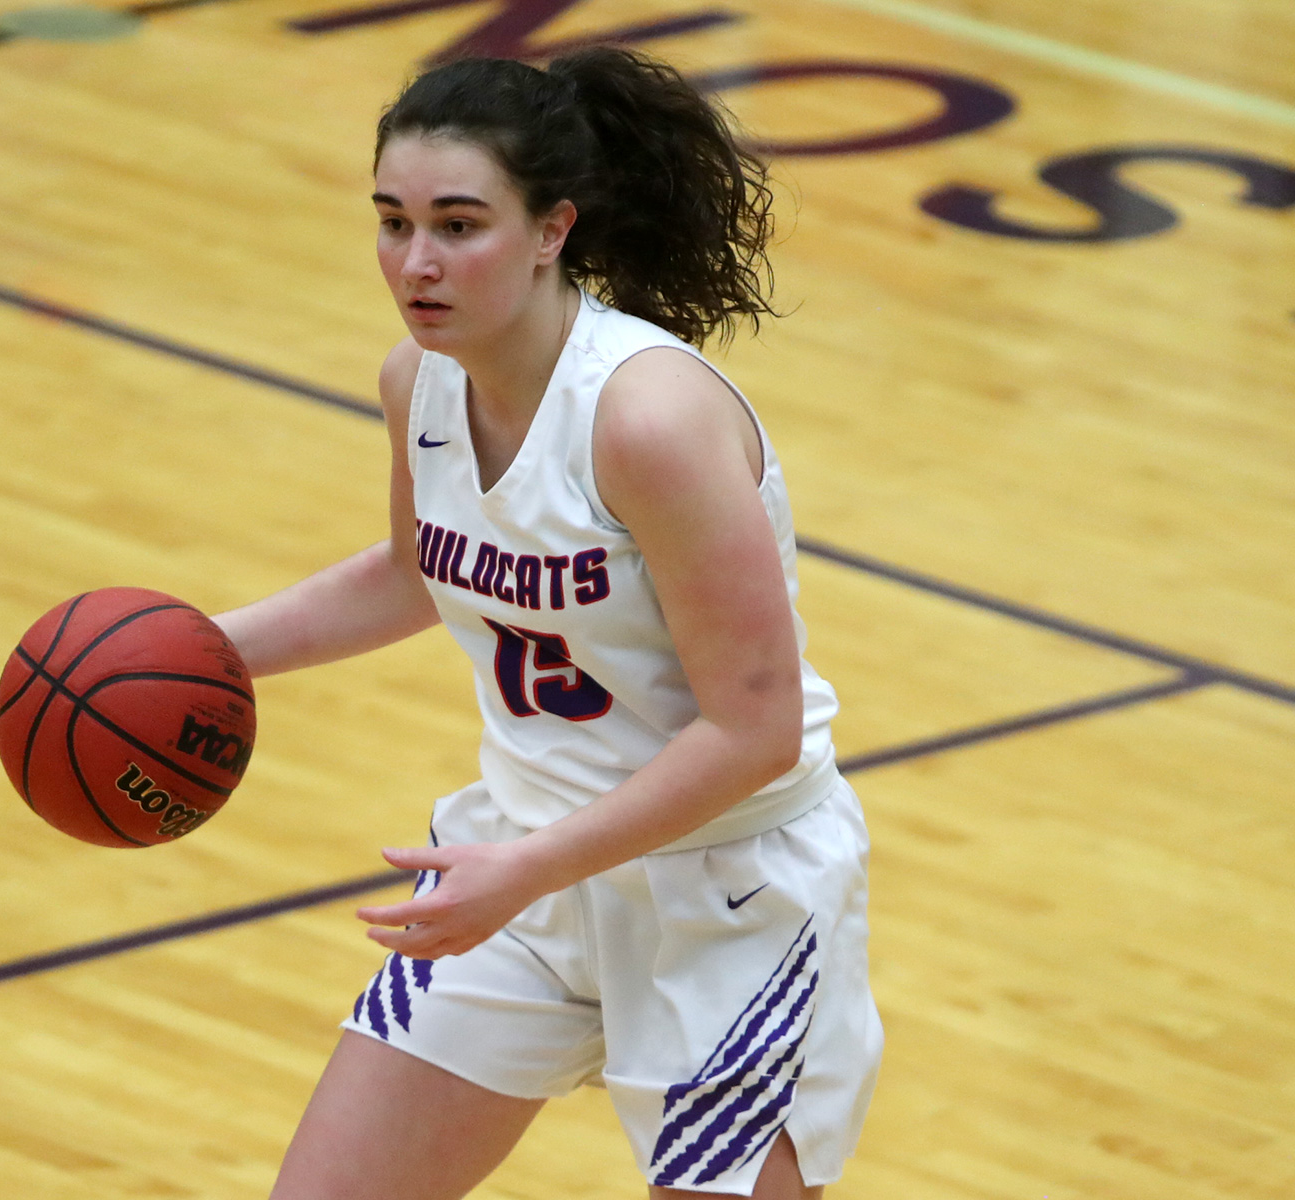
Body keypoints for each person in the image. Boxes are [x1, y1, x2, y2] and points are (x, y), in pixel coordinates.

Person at [212, 48, 881, 1200]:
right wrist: (194, 650)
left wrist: (524, 869)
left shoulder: (648, 422)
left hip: (727, 894)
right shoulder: (417, 384)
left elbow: (756, 728)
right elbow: (418, 571)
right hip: (520, 868)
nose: (415, 263)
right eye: (393, 222)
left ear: (550, 229)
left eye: (459, 225)